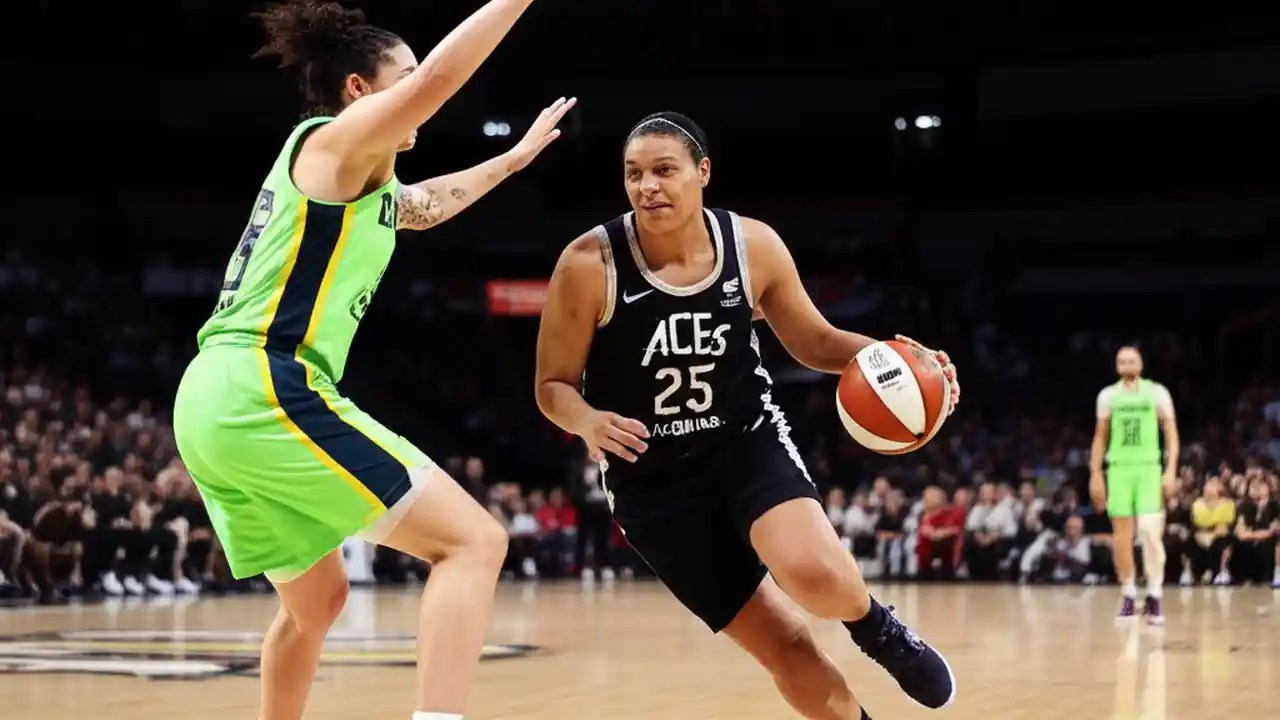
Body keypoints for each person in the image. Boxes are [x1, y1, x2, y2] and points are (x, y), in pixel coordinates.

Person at [171, 2, 570, 719]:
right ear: (360, 90)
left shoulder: (365, 182)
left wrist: (511, 160)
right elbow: (445, 76)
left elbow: (424, 205)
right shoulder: (329, 142)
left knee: (316, 604)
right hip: (263, 381)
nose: (421, 90)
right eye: (404, 77)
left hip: (213, 399)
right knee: (474, 542)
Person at [534, 111, 960, 720]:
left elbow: (813, 342)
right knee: (787, 646)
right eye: (633, 174)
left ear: (702, 173)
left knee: (815, 574)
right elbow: (552, 386)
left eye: (663, 170)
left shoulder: (751, 245)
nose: (647, 186)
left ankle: (879, 629)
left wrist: (903, 361)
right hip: (652, 487)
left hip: (742, 444)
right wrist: (586, 421)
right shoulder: (586, 265)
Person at [1089, 345, 1179, 626]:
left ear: (1141, 363)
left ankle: (1154, 592)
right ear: (1117, 366)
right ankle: (1128, 592)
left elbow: (1172, 436)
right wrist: (1095, 473)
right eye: (1122, 360)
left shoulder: (1157, 392)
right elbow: (1100, 438)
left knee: (1151, 532)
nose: (1127, 363)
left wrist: (1171, 470)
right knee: (1121, 537)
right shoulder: (1107, 396)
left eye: (1132, 359)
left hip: (1149, 468)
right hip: (1119, 469)